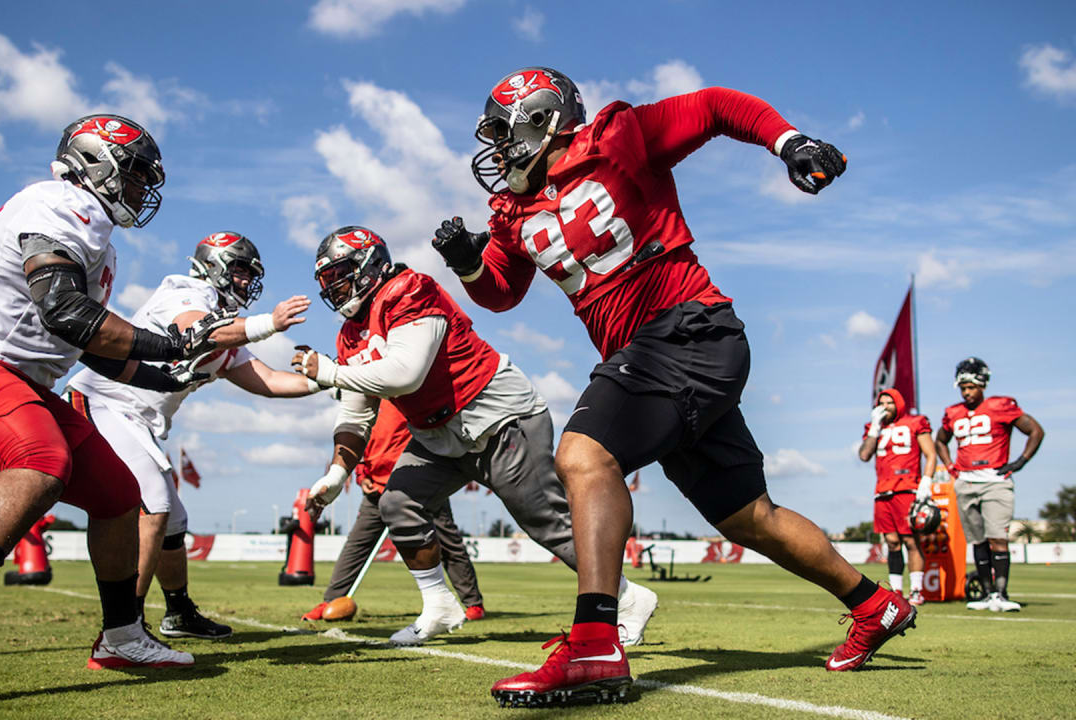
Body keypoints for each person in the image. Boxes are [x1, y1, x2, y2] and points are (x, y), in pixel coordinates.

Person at [431, 66, 908, 705]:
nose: (494, 146)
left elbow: (714, 106)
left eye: (501, 129)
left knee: (584, 454)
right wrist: (466, 261)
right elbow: (501, 292)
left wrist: (789, 141)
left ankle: (596, 639)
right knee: (751, 518)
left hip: (687, 329)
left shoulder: (618, 137)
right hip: (657, 356)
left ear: (544, 116)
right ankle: (874, 603)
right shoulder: (514, 208)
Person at [0, 115, 226, 712]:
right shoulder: (60, 204)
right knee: (39, 459)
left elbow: (93, 348)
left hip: (22, 380)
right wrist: (169, 342)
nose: (143, 188)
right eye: (136, 172)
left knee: (119, 491)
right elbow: (65, 310)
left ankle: (120, 636)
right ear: (95, 161)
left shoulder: (99, 244)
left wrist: (167, 372)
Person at [291, 226, 657, 648]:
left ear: (370, 264)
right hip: (440, 435)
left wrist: (329, 372)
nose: (333, 287)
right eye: (326, 281)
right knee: (397, 503)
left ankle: (629, 598)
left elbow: (405, 372)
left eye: (339, 274)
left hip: (498, 416)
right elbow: (357, 410)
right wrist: (338, 473)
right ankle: (439, 606)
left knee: (547, 524)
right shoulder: (349, 334)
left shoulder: (409, 288)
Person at [66, 232, 318, 639]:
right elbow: (196, 330)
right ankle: (124, 628)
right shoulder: (186, 291)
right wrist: (268, 324)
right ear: (213, 264)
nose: (244, 281)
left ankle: (178, 613)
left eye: (249, 273)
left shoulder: (225, 324)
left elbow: (268, 380)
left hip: (137, 419)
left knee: (172, 521)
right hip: (104, 401)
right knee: (156, 503)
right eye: (238, 269)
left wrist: (336, 378)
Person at [301, 398, 486, 623]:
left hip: (419, 483)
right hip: (376, 486)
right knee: (357, 545)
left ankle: (473, 603)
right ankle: (332, 600)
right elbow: (359, 439)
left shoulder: (403, 391)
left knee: (447, 542)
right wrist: (361, 474)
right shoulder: (362, 401)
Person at [934, 357, 1044, 612]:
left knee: (998, 538)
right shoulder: (954, 412)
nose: (966, 392)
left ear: (982, 384)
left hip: (995, 482)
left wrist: (1020, 462)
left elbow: (1035, 430)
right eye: (963, 388)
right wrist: (951, 467)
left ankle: (1001, 594)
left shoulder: (1000, 405)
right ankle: (986, 594)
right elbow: (941, 440)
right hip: (966, 481)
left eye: (971, 387)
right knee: (978, 541)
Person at [858, 388, 936, 604]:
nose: (885, 407)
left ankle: (917, 590)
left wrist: (926, 482)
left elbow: (930, 453)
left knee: (911, 540)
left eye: (889, 402)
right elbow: (864, 455)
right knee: (892, 542)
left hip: (907, 488)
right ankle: (896, 591)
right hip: (883, 491)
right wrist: (874, 427)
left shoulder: (916, 422)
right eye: (881, 403)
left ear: (899, 403)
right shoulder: (875, 427)